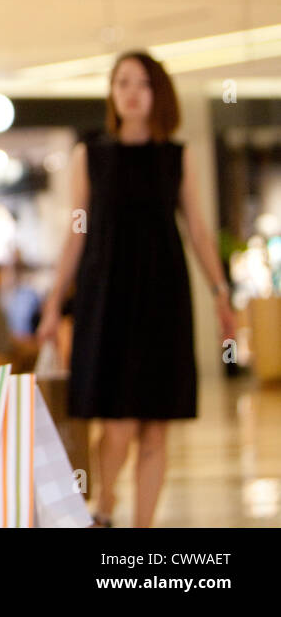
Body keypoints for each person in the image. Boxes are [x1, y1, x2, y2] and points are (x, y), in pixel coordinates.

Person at [37, 51, 237, 528]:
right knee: (119, 423)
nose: (130, 92)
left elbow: (199, 232)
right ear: (112, 92)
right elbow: (76, 231)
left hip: (164, 298)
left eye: (142, 83)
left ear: (157, 94)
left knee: (156, 429)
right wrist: (53, 302)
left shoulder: (177, 157)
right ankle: (105, 508)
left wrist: (220, 294)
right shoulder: (91, 156)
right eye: (122, 82)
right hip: (107, 296)